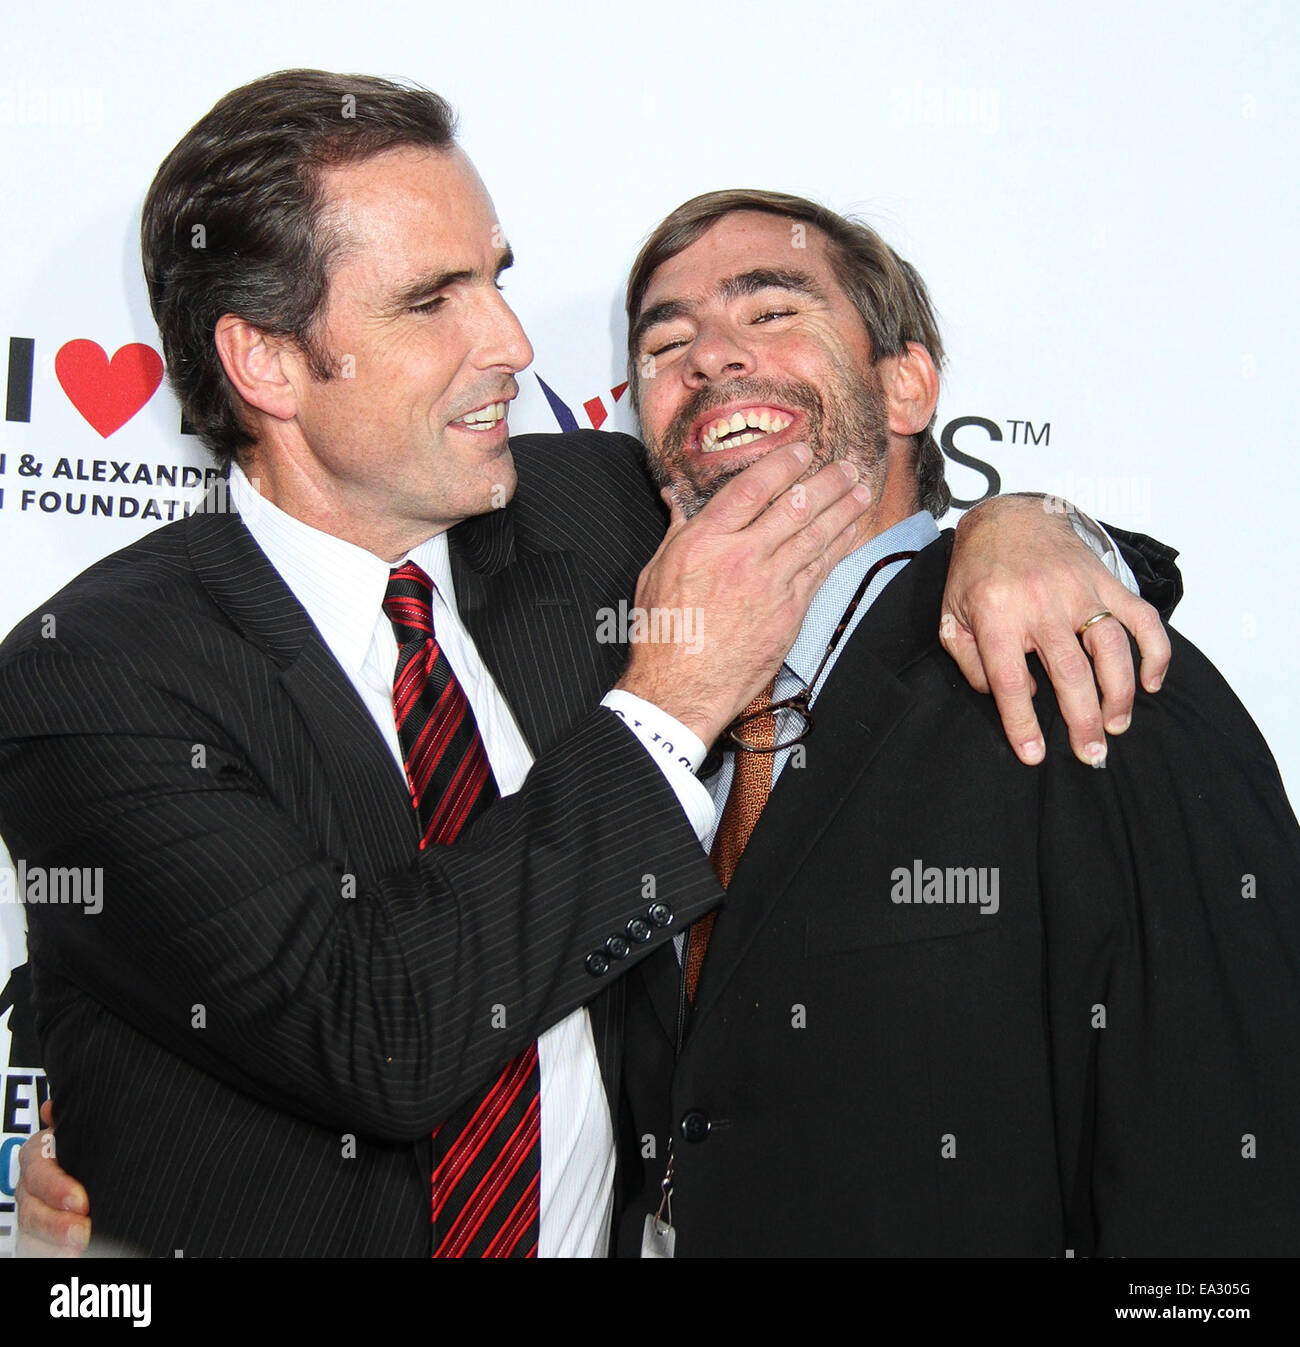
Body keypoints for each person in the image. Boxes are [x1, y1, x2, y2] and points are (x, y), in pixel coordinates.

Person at [6, 72, 1172, 1259]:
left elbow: (869, 501)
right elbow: (380, 1032)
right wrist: (665, 711)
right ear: (264, 363)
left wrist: (1023, 528)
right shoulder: (90, 675)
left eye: (496, 278)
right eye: (431, 301)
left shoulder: (595, 512)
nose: (510, 345)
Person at [613, 189, 1300, 1257]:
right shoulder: (633, 694)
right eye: (666, 341)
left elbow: (1232, 1179)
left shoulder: (1082, 669)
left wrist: (1026, 519)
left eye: (772, 311)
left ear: (906, 386)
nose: (709, 357)